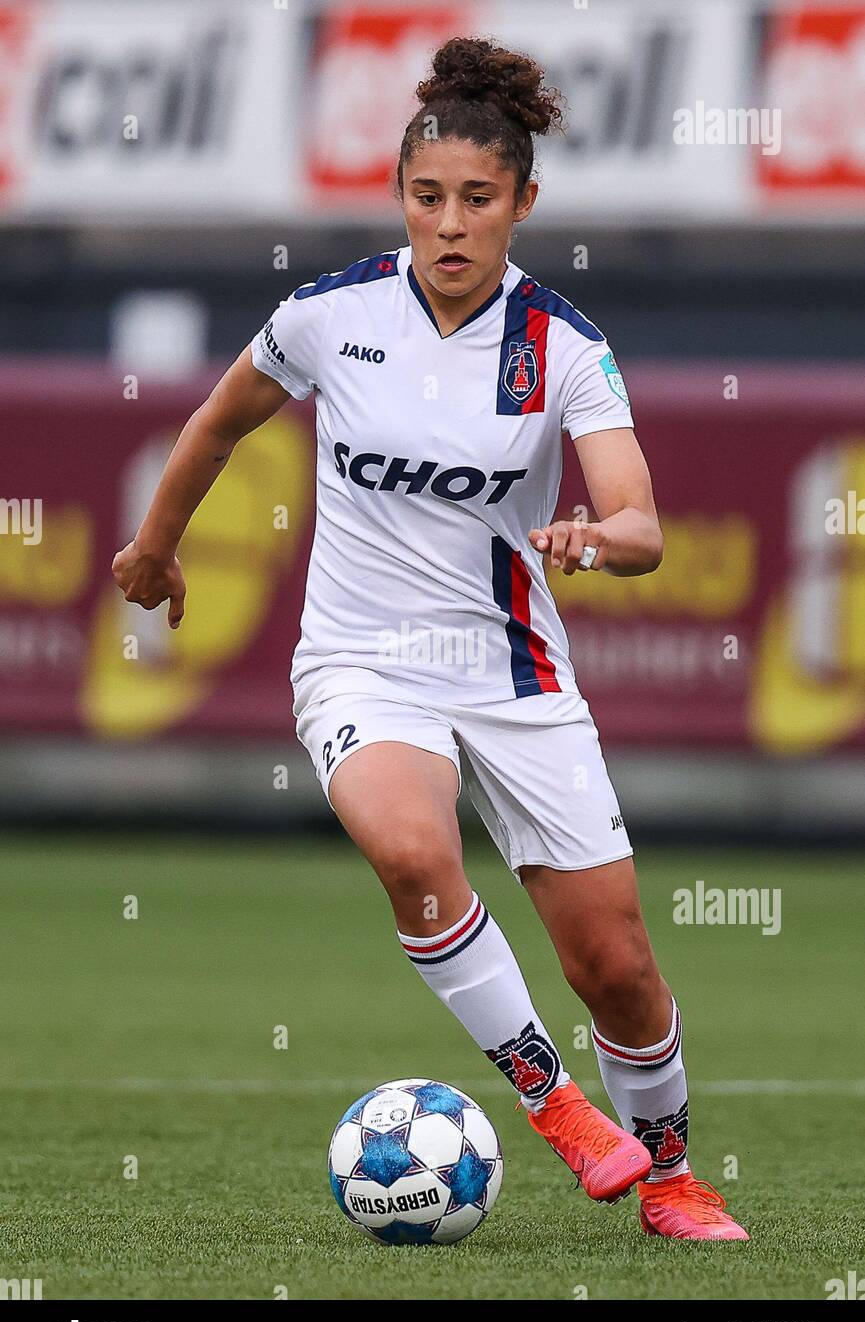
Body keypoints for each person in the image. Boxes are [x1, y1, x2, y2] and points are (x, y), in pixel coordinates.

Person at [113, 36, 747, 1240]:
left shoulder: (564, 345)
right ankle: (556, 1105)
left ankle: (669, 1173)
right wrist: (155, 547)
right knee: (412, 851)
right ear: (399, 195)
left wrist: (596, 538)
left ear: (523, 203)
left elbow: (643, 524)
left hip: (512, 671)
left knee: (613, 966)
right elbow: (215, 423)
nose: (449, 224)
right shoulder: (328, 315)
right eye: (426, 196)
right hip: (360, 661)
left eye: (477, 199)